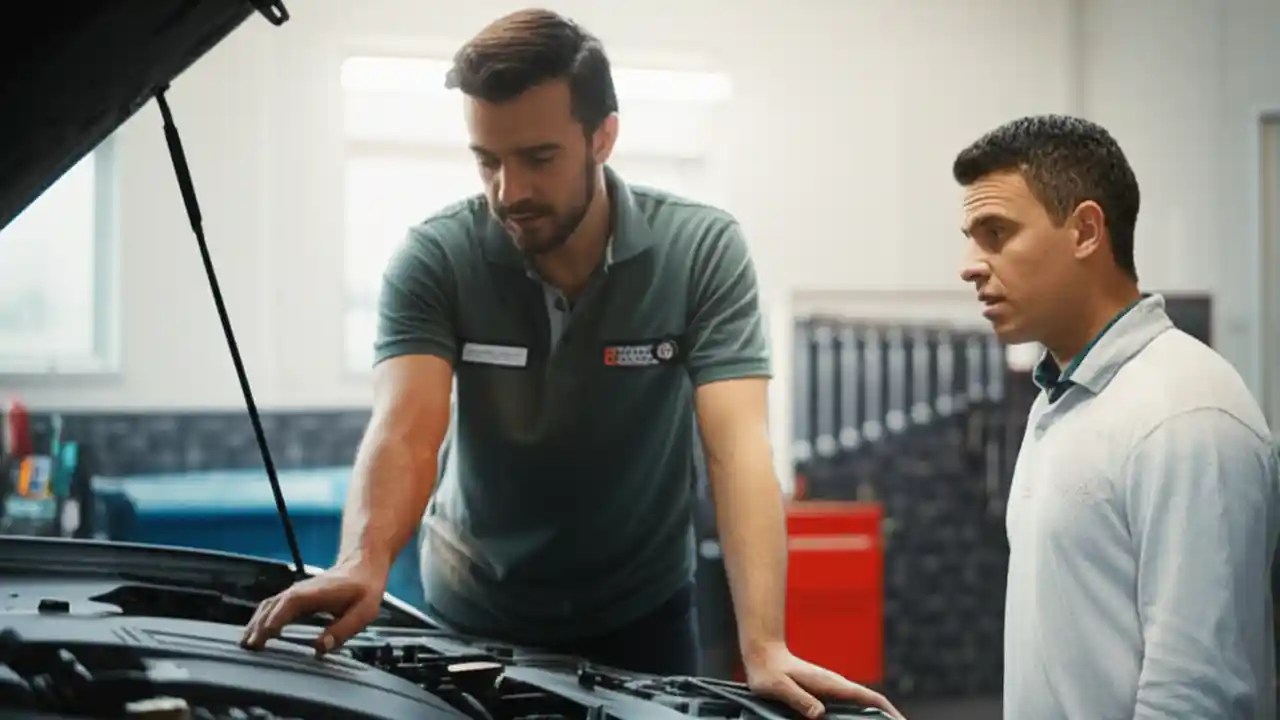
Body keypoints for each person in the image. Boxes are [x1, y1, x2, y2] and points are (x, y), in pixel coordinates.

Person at [241, 8, 902, 720]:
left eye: (538, 158)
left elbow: (738, 449)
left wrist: (765, 646)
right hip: (475, 607)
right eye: (487, 160)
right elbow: (405, 429)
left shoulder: (700, 250)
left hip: (641, 615)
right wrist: (362, 563)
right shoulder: (437, 256)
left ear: (603, 137)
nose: (509, 191)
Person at [954, 113, 1280, 719]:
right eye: (971, 237)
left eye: (995, 233)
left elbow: (1196, 696)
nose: (970, 264)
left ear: (1084, 231)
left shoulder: (1185, 415)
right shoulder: (1060, 401)